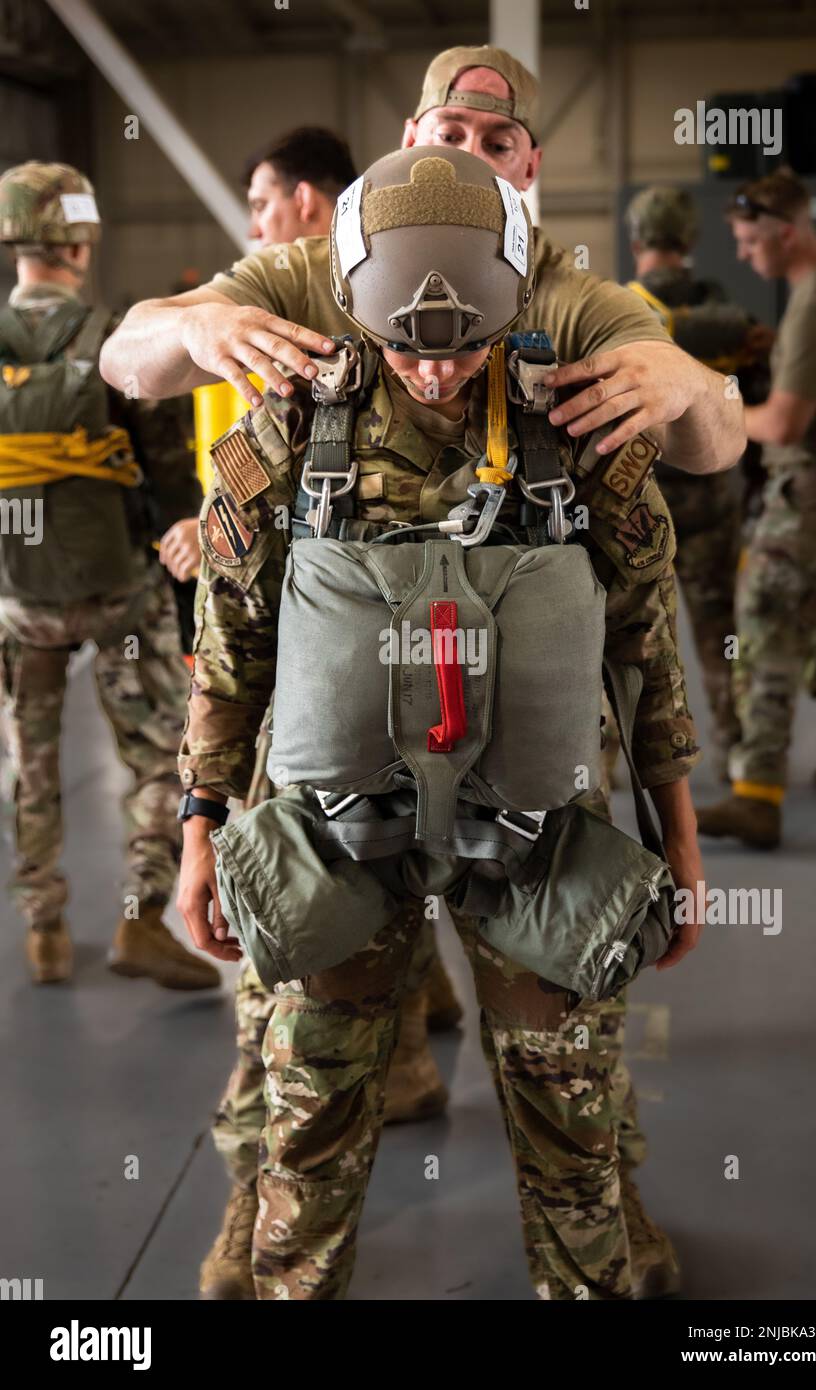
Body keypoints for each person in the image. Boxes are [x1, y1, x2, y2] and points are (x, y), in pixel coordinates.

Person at [100, 45, 744, 1301]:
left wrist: (679, 840)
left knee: (573, 1119)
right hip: (337, 820)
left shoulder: (576, 389)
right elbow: (231, 636)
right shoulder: (300, 389)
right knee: (303, 1114)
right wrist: (195, 827)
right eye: (406, 344)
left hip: (539, 821)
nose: (435, 368)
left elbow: (643, 635)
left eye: (461, 347)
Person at [189, 127, 462, 1303]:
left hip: (415, 747)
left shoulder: (501, 351)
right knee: (294, 995)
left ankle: (347, 1114)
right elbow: (138, 353)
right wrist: (199, 815)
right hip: (301, 739)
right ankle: (264, 1203)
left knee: (321, 982)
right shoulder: (273, 335)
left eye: (264, 202)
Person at [0, 161, 216, 989]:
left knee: (31, 760)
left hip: (21, 598)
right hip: (119, 590)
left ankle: (45, 929)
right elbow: (168, 480)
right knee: (165, 751)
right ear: (81, 243)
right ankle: (143, 915)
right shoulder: (114, 341)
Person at [698, 169, 816, 848]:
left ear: (784, 234)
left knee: (764, 624)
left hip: (806, 493)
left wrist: (717, 406)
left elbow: (787, 424)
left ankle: (757, 795)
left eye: (747, 240)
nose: (742, 254)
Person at [624, 185, 772, 774]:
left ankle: (609, 769)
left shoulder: (623, 309)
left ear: (637, 240)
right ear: (690, 240)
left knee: (628, 636)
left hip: (636, 499)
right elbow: (750, 401)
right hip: (713, 492)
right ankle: (739, 755)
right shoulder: (729, 313)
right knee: (720, 633)